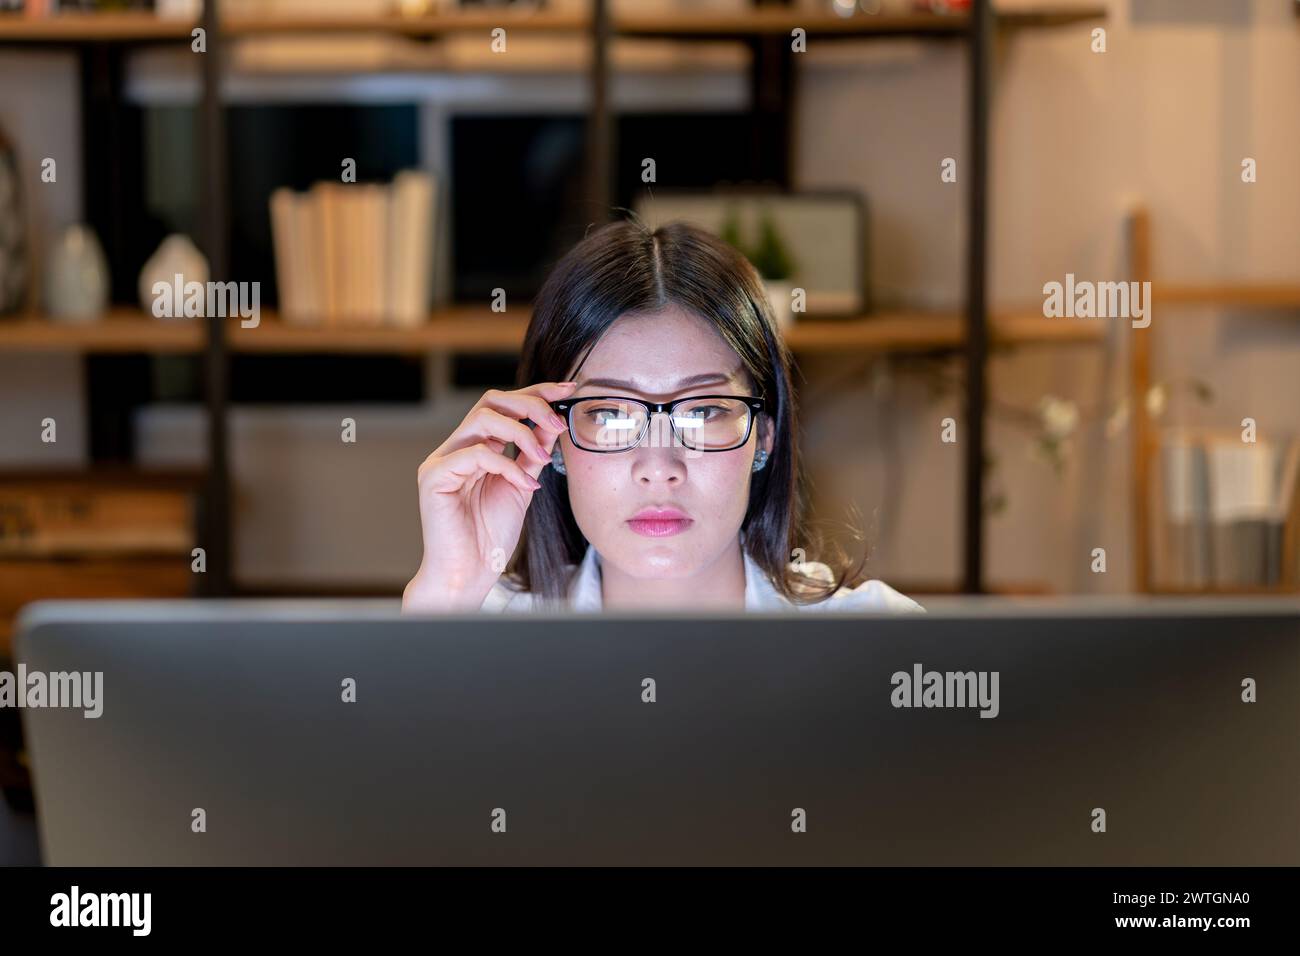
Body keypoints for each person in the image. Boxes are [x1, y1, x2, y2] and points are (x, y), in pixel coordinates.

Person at [402, 218, 923, 614]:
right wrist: (448, 593)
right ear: (551, 440)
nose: (658, 465)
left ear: (764, 435)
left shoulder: (878, 636)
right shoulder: (473, 627)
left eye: (703, 411)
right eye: (609, 415)